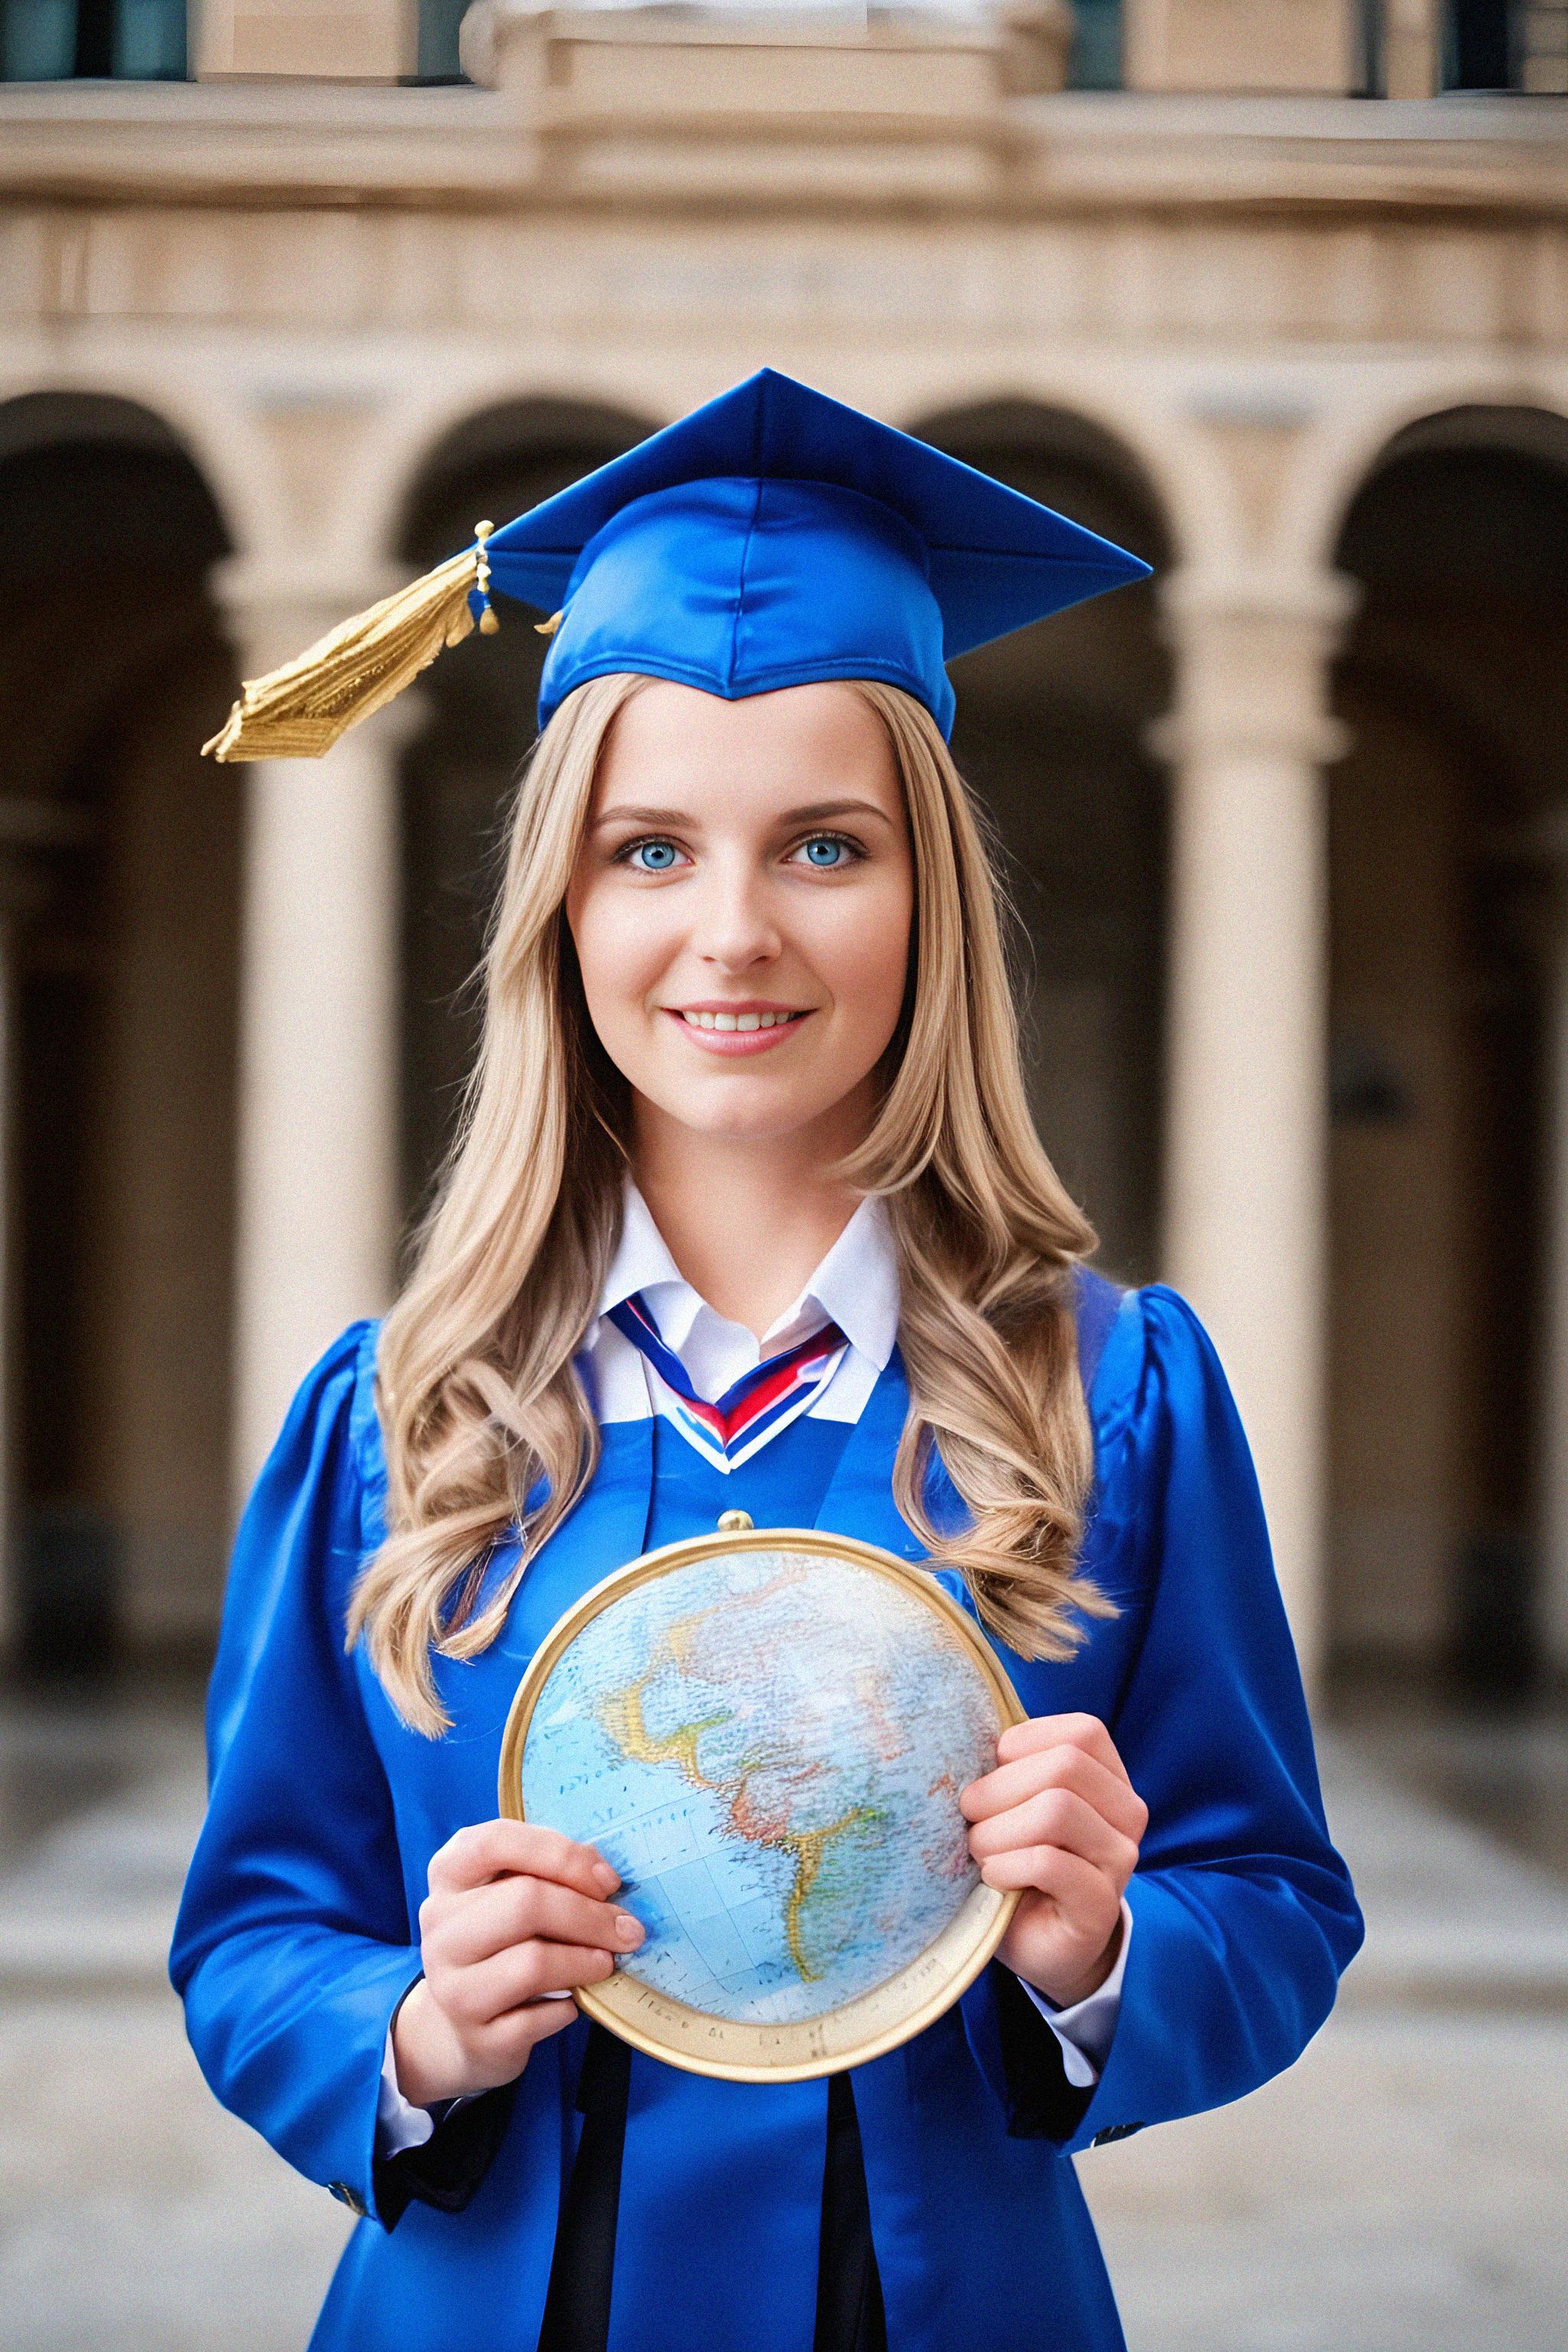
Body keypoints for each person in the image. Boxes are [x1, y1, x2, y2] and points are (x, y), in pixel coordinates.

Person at [172, 369, 1362, 2352]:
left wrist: (1101, 1956)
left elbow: (1273, 1899)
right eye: (650, 850)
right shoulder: (394, 1418)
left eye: (824, 847)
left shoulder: (1115, 1393)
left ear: (930, 902)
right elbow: (251, 1936)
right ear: (558, 905)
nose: (731, 932)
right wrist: (409, 2027)